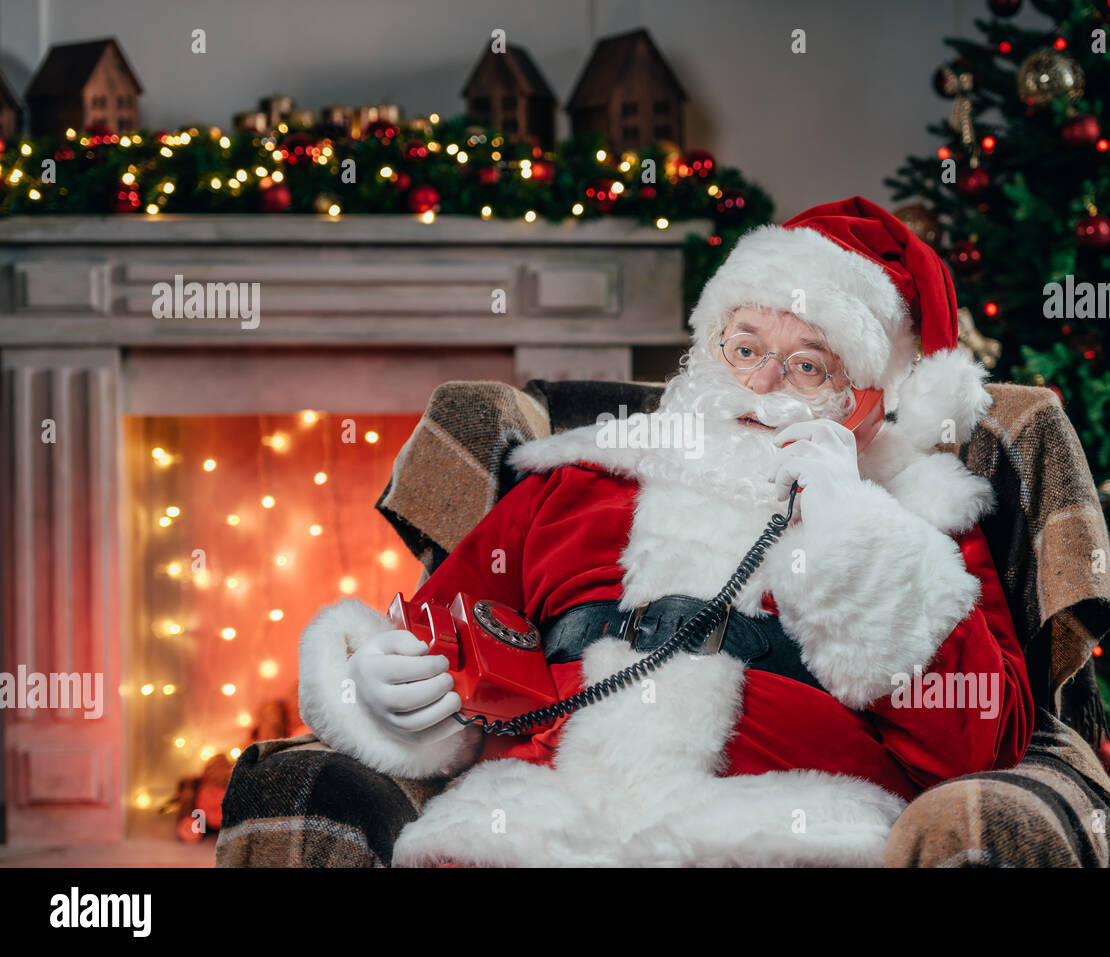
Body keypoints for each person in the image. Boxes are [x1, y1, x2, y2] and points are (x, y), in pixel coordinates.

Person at [297, 196, 1034, 866]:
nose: (761, 383)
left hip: (783, 838)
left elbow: (976, 744)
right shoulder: (575, 479)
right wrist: (384, 692)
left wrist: (856, 530)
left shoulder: (912, 520)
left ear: (865, 404)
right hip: (534, 829)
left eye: (808, 365)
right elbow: (440, 634)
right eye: (745, 348)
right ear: (709, 347)